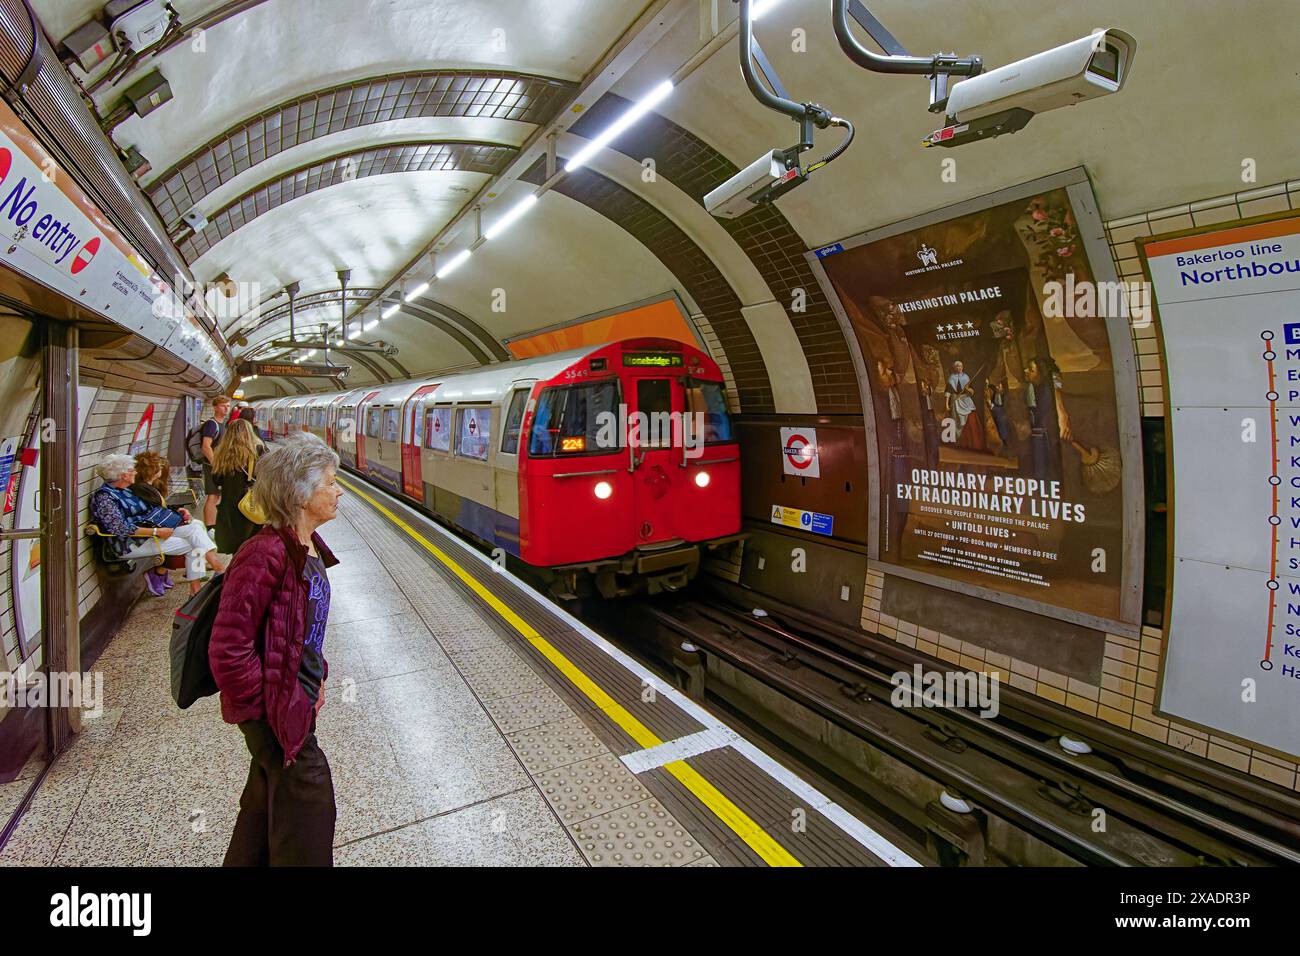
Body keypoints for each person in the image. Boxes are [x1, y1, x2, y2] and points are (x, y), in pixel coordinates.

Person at [209, 433, 342, 867]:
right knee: (309, 799)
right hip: (274, 709)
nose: (338, 490)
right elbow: (228, 646)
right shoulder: (263, 554)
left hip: (293, 697)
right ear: (300, 494)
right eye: (330, 482)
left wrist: (315, 675)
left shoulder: (306, 546)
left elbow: (306, 628)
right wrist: (264, 712)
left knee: (267, 797)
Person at [89, 454, 226, 595]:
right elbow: (119, 528)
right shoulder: (105, 498)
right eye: (132, 470)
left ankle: (207, 580)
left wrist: (177, 513)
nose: (135, 472)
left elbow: (152, 511)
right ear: (124, 475)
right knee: (194, 543)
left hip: (144, 535)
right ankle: (202, 584)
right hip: (128, 544)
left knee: (194, 529)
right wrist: (155, 532)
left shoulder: (125, 490)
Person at [211, 417, 265, 554]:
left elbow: (216, 480)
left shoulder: (221, 452)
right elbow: (267, 476)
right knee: (251, 545)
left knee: (235, 547)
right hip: (251, 505)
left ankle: (235, 570)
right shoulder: (258, 450)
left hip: (229, 507)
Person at [131, 450, 177, 595]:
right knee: (190, 538)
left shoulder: (151, 487)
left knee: (195, 532)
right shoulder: (144, 489)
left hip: (156, 525)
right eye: (159, 466)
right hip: (151, 528)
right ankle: (158, 573)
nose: (162, 468)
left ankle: (162, 572)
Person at [201, 395, 232, 530]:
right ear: (215, 407)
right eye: (223, 405)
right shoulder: (211, 424)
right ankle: (209, 527)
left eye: (228, 406)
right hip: (212, 466)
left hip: (219, 466)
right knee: (212, 496)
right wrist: (215, 465)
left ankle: (213, 526)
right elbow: (206, 446)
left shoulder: (222, 424)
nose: (226, 408)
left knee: (217, 496)